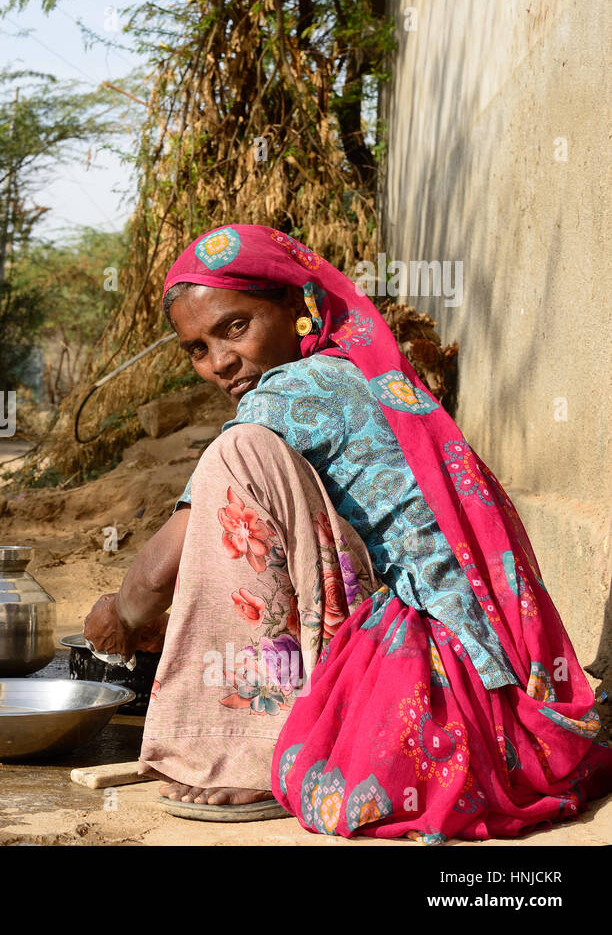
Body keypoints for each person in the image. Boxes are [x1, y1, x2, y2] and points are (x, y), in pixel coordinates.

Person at [83, 224, 611, 840]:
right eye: (197, 348)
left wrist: (120, 616)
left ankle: (249, 752)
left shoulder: (297, 392)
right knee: (245, 458)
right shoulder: (351, 374)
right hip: (485, 683)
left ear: (298, 310)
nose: (220, 362)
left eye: (234, 327)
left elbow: (153, 574)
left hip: (443, 698)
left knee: (238, 456)